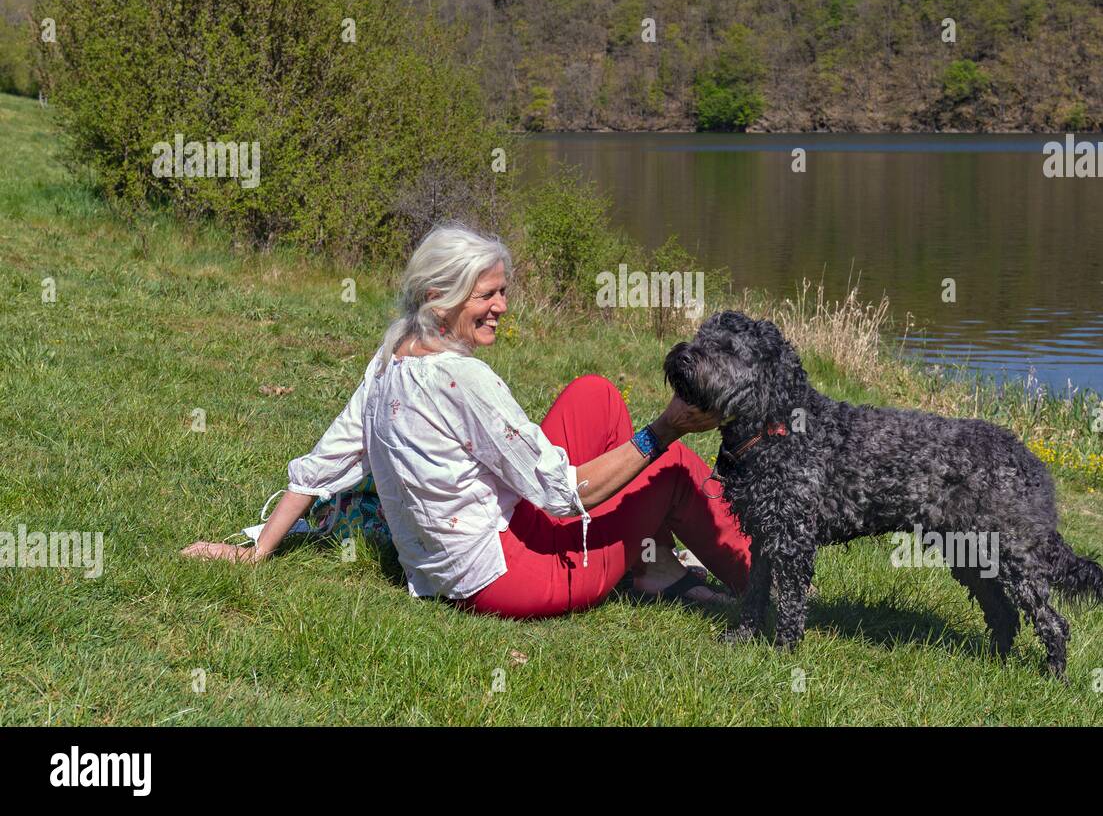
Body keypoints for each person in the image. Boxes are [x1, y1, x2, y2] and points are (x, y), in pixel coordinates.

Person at [182, 223, 751, 616]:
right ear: (440, 298)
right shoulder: (463, 379)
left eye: (503, 290)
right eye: (487, 294)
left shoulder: (391, 357)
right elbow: (558, 493)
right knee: (670, 467)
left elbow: (327, 459)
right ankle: (774, 586)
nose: (502, 306)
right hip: (506, 577)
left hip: (444, 567)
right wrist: (665, 429)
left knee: (594, 394)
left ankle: (651, 568)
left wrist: (259, 551)